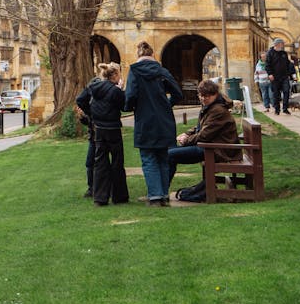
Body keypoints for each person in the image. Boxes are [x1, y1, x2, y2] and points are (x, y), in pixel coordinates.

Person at [124, 41, 182, 206]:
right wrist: (166, 105)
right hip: (164, 120)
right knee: (163, 157)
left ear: (139, 55)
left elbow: (130, 96)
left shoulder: (135, 71)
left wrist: (130, 107)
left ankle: (155, 196)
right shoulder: (162, 71)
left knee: (149, 157)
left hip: (145, 119)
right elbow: (177, 93)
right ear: (152, 55)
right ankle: (163, 194)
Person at [167, 79, 240, 182]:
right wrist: (186, 134)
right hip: (211, 146)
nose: (203, 98)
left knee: (169, 155)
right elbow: (200, 126)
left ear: (215, 94)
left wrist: (186, 140)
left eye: (207, 96)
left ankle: (162, 191)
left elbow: (205, 135)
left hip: (218, 151)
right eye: (201, 95)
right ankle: (162, 190)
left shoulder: (218, 110)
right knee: (169, 151)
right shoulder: (211, 106)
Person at [76, 62, 128, 206]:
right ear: (115, 75)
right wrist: (122, 90)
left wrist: (92, 113)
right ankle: (119, 196)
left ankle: (100, 197)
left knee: (100, 162)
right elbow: (124, 106)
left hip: (98, 128)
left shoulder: (93, 87)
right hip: (113, 128)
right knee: (117, 161)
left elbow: (80, 100)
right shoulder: (115, 91)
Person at [265, 38, 295, 116]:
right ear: (277, 44)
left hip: (284, 76)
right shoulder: (270, 53)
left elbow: (288, 64)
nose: (282, 46)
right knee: (276, 94)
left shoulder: (284, 53)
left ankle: (285, 108)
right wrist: (270, 74)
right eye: (281, 44)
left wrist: (291, 73)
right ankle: (277, 109)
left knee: (286, 91)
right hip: (275, 77)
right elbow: (267, 65)